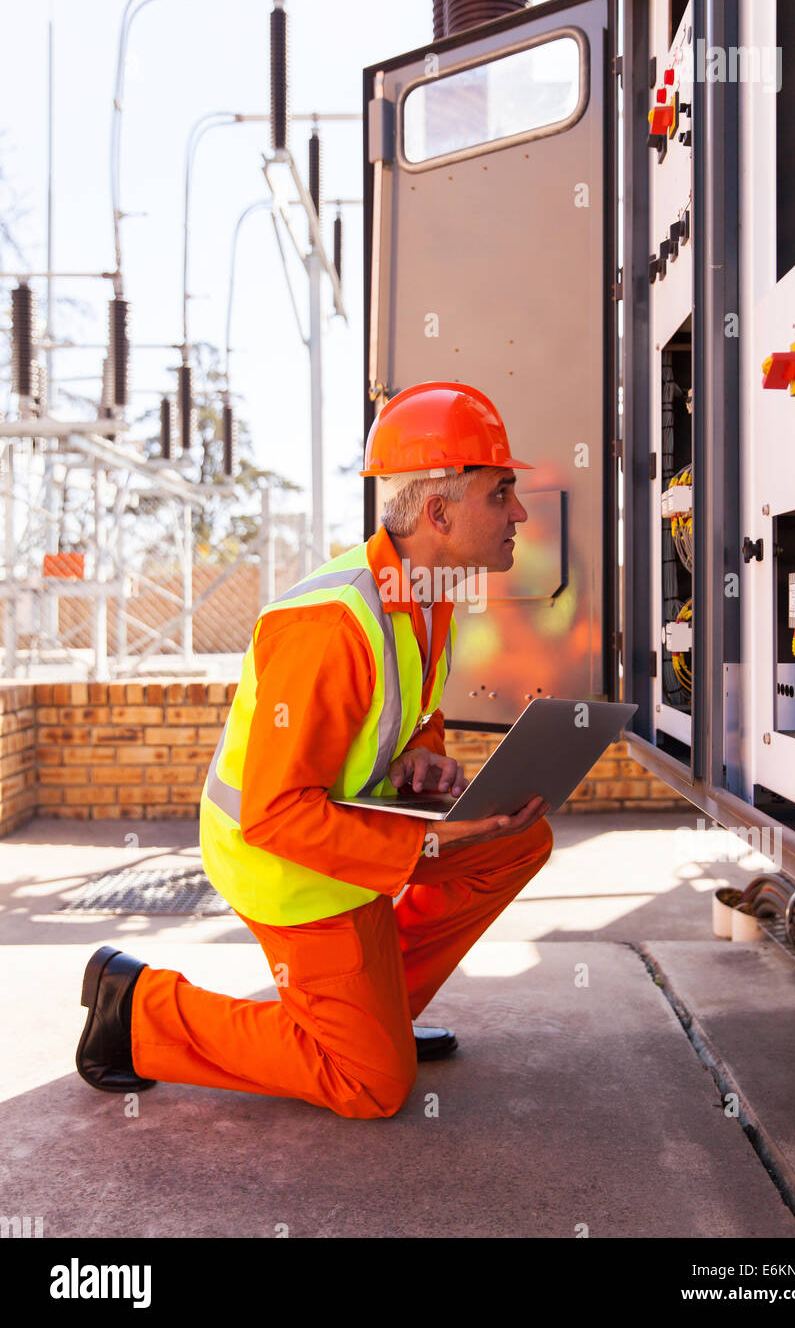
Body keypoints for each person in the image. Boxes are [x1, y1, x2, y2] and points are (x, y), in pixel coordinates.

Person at [75, 381, 554, 1119]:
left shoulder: (433, 595)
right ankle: (137, 1012)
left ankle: (376, 1012)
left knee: (518, 841)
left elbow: (407, 717)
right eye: (502, 493)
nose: (519, 512)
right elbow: (272, 816)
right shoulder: (330, 625)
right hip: (285, 864)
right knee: (371, 1085)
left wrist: (421, 761)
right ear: (438, 512)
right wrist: (430, 836)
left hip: (344, 838)